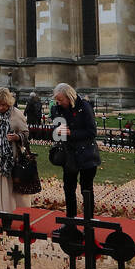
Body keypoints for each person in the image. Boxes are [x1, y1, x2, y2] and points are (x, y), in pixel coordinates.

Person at [52, 82, 98, 217]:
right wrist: (57, 131)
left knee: (86, 189)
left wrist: (71, 133)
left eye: (61, 100)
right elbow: (55, 133)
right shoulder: (58, 109)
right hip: (69, 155)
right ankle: (70, 222)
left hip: (87, 155)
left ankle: (88, 222)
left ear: (69, 97)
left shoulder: (84, 106)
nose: (59, 103)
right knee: (69, 189)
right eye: (57, 100)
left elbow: (92, 132)